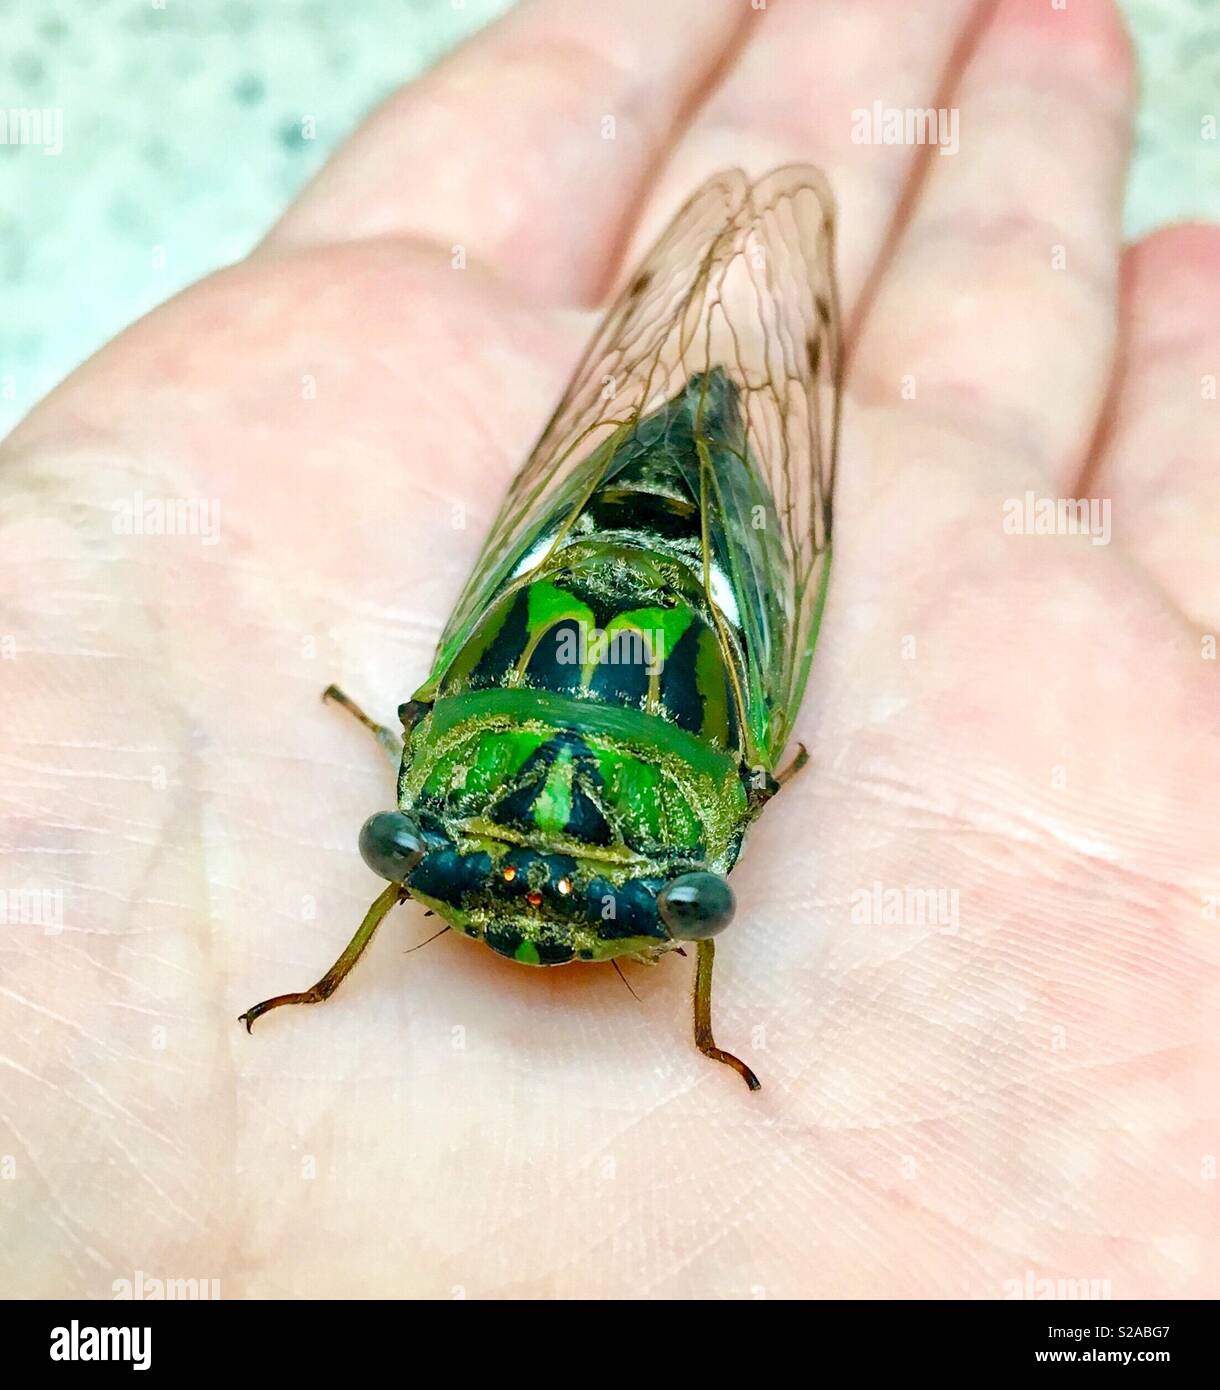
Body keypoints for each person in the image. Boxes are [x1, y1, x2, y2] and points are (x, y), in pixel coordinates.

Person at [3, 0, 1216, 1298]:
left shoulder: (449, 836)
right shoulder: (665, 878)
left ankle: (701, 405)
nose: (534, 904)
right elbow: (678, 906)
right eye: (676, 901)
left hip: (687, 564)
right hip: (687, 609)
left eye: (421, 848)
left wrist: (432, 848)